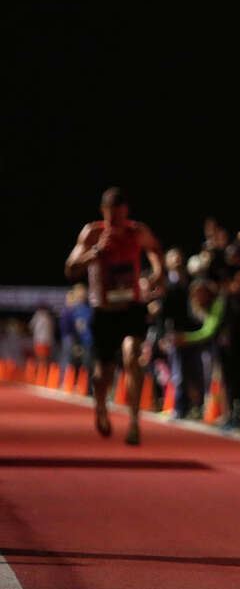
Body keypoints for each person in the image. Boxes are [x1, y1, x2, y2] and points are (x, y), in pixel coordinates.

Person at [64, 187, 164, 445]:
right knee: (104, 374)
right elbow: (70, 269)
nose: (116, 224)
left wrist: (156, 272)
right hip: (104, 311)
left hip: (131, 306)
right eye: (111, 218)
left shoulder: (137, 232)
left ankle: (133, 422)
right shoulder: (92, 232)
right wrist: (95, 252)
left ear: (126, 213)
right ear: (103, 213)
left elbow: (155, 249)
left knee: (133, 356)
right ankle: (100, 407)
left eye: (120, 218)